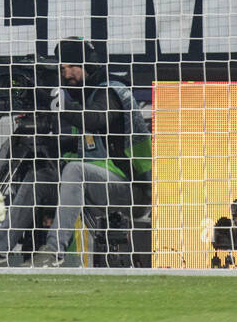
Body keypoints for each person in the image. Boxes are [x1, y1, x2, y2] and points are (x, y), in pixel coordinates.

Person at [30, 38, 151, 267]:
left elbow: (96, 118)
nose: (67, 74)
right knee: (40, 177)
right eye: (62, 68)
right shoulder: (83, 99)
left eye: (72, 66)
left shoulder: (112, 92)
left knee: (75, 170)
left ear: (89, 65)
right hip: (102, 187)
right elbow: (74, 146)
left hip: (136, 190)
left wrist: (64, 107)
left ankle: (54, 251)